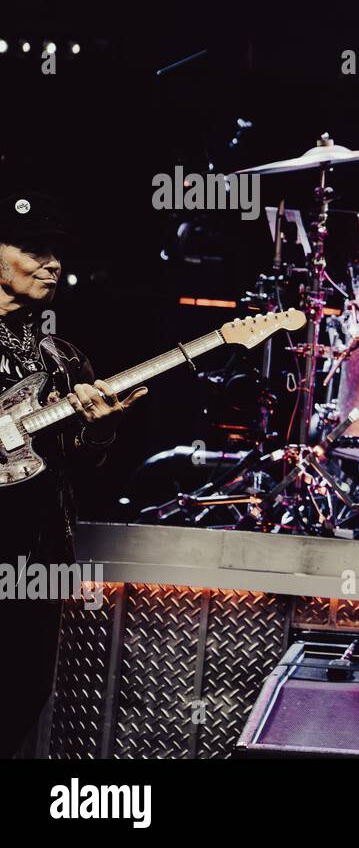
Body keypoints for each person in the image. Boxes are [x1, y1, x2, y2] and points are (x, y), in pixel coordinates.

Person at [0, 192, 147, 757]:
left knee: (21, 694)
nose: (52, 263)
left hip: (34, 561)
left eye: (56, 251)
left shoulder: (64, 360)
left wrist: (101, 430)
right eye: (33, 248)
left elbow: (87, 472)